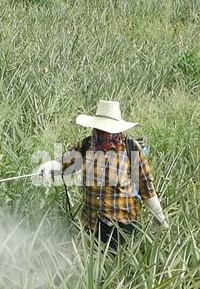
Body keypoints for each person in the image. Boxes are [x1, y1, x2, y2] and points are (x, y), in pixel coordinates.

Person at [35, 100, 169, 251]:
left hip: (123, 229)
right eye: (101, 128)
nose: (104, 133)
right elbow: (67, 163)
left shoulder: (131, 148)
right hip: (92, 226)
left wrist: (158, 214)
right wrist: (50, 166)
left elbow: (145, 185)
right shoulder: (87, 145)